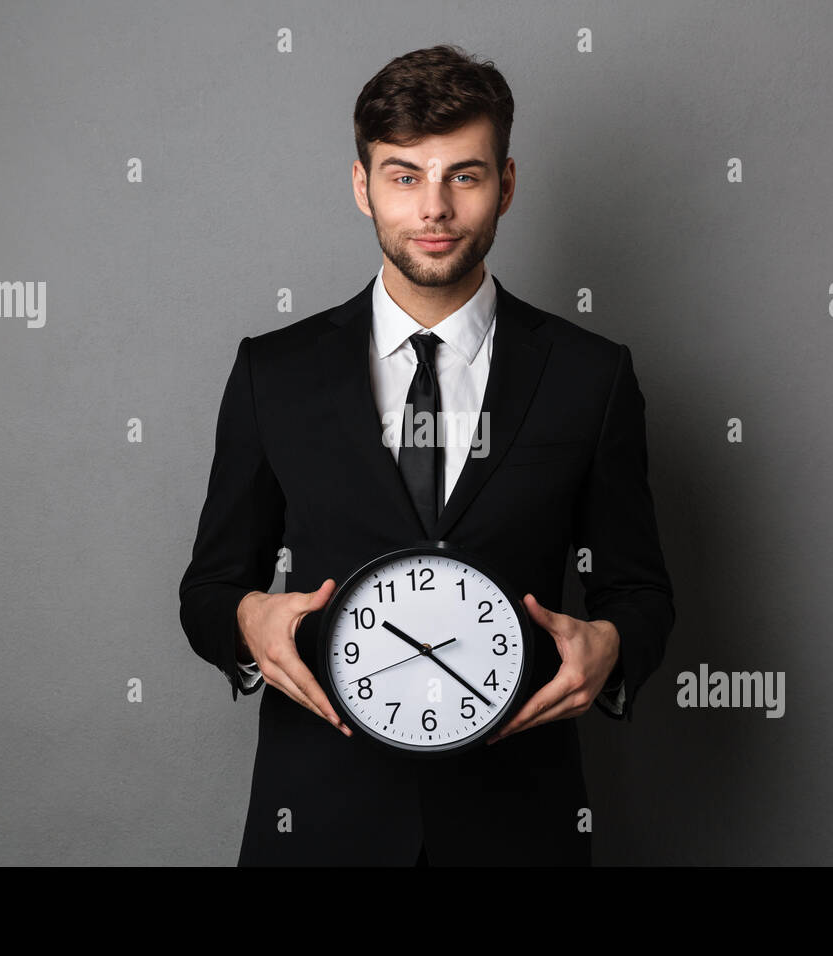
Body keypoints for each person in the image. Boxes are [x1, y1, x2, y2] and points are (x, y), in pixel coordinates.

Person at [179, 44, 675, 866]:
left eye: (465, 176)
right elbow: (209, 586)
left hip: (519, 827)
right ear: (361, 185)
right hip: (319, 823)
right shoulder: (276, 373)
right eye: (405, 176)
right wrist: (244, 621)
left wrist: (613, 644)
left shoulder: (593, 376)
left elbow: (641, 590)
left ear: (506, 186)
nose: (434, 208)